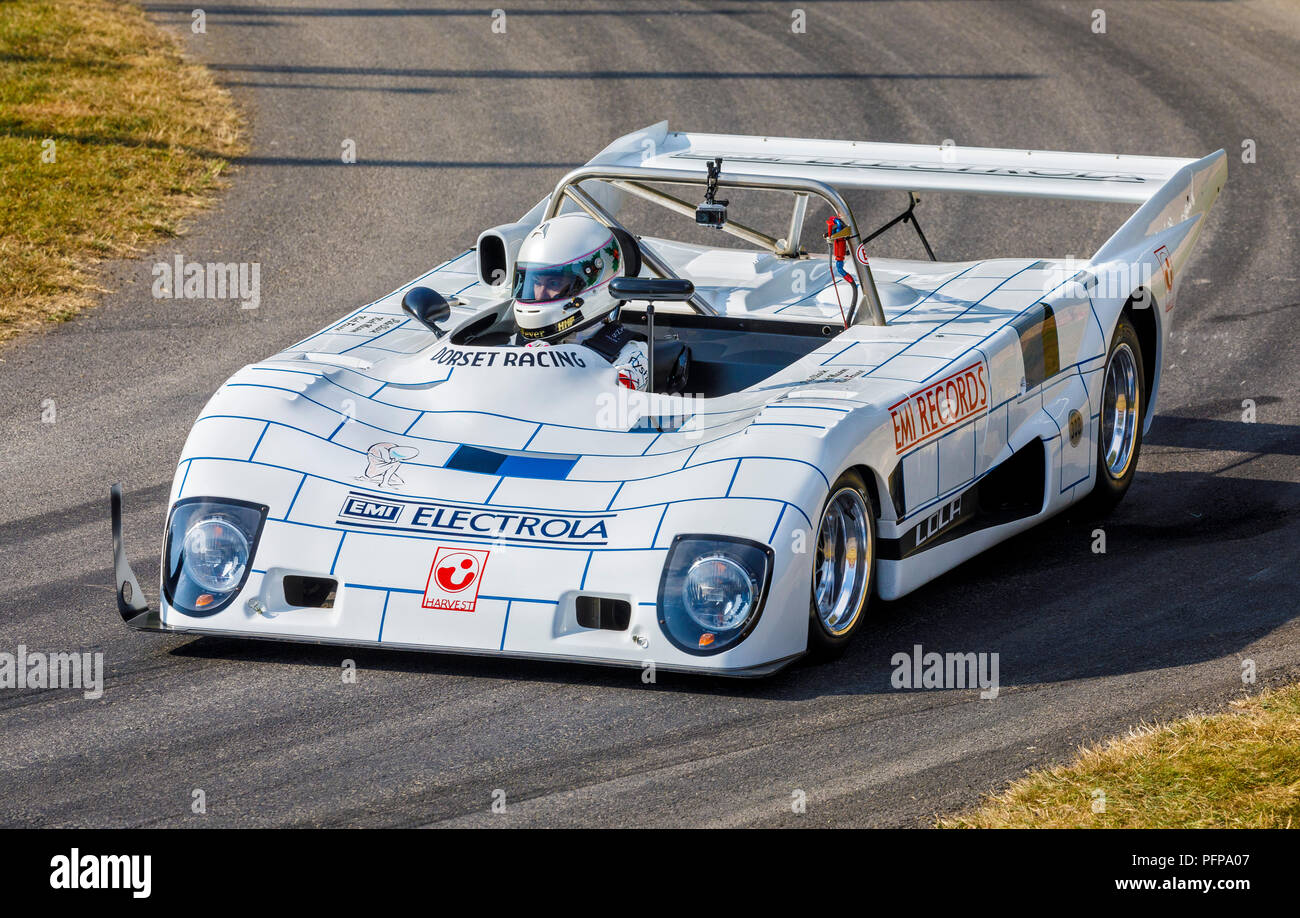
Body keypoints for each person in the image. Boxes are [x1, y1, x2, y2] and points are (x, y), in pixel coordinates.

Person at [511, 213, 649, 390]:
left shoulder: (631, 355)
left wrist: (548, 367)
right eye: (536, 282)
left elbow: (604, 409)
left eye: (553, 283)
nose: (540, 294)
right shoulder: (519, 343)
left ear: (597, 284)